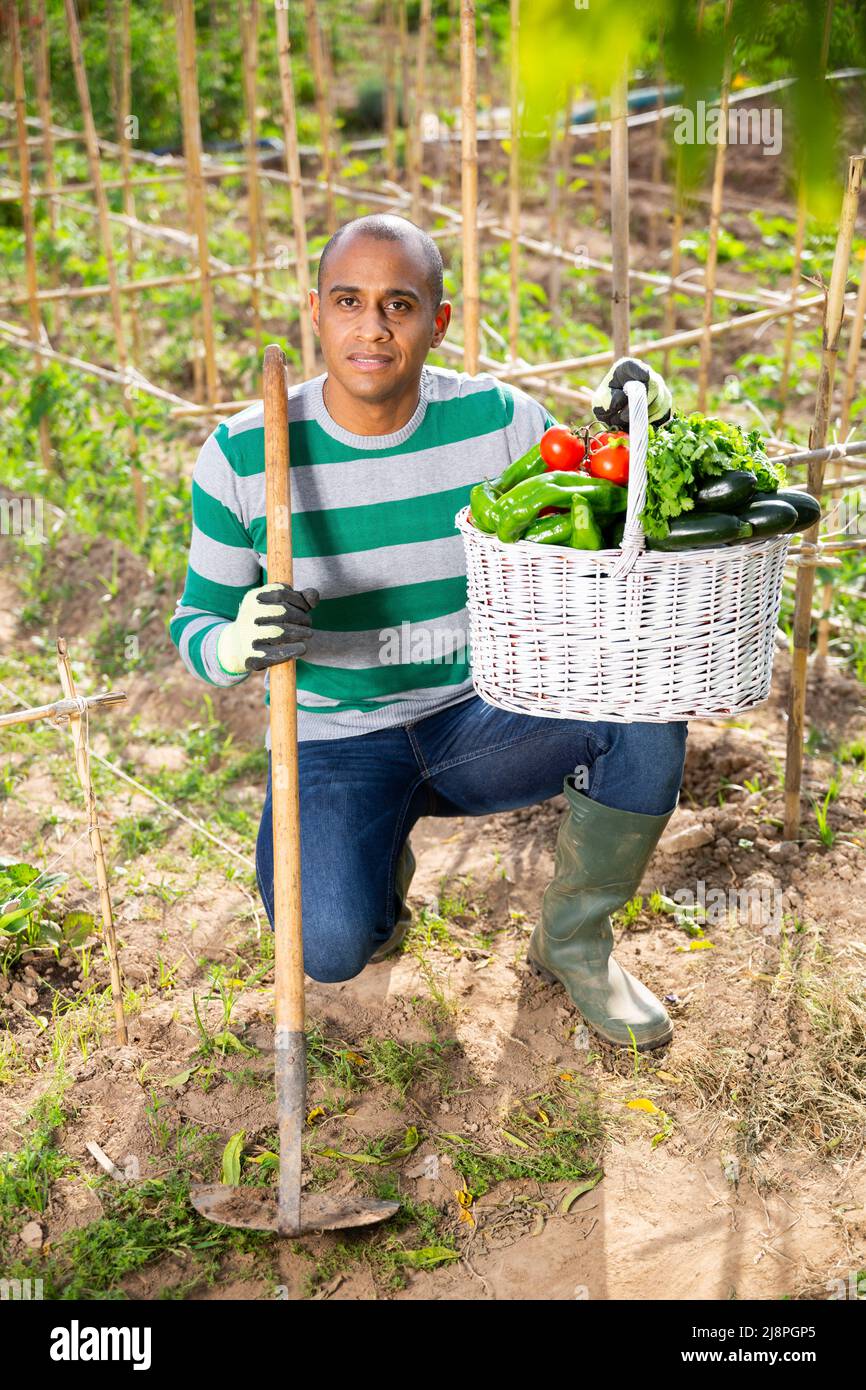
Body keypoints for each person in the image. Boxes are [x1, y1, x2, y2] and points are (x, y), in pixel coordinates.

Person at [169, 212, 686, 1052]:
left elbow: (600, 507)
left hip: (483, 716)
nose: (371, 327)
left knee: (643, 707)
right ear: (315, 312)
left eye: (399, 305)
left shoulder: (498, 422)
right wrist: (235, 642)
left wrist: (643, 434)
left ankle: (574, 943)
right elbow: (195, 622)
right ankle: (372, 871)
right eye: (348, 301)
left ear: (437, 322)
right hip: (335, 738)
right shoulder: (242, 453)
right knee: (331, 948)